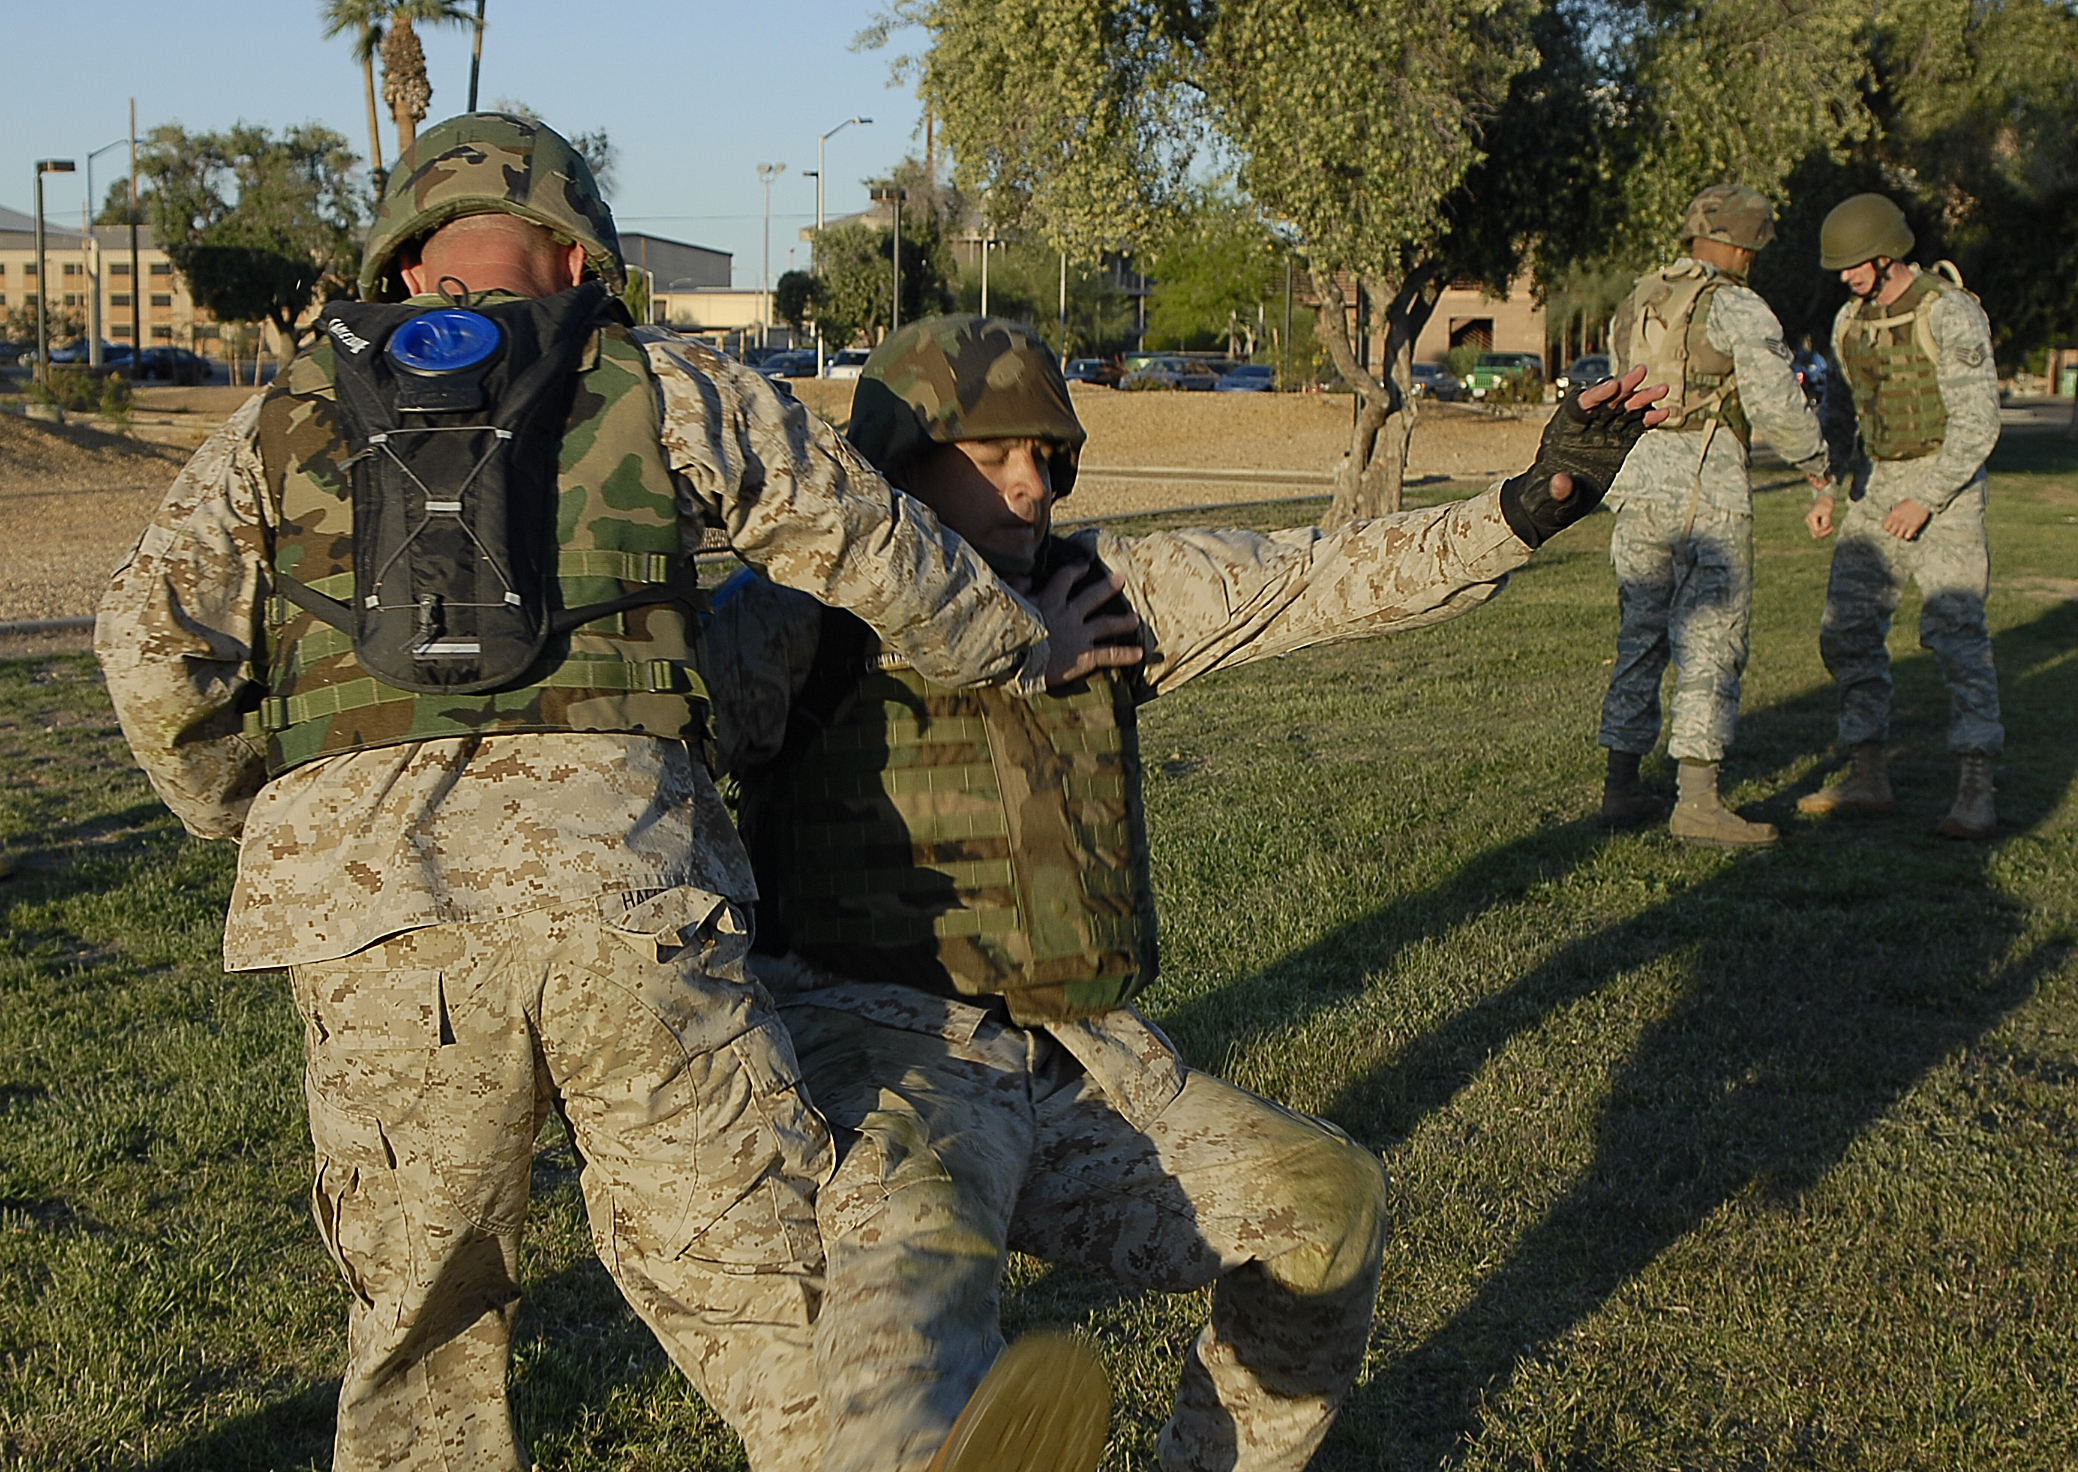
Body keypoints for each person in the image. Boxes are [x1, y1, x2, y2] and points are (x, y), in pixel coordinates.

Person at [92, 115, 1129, 1472]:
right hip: (629, 894)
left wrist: (257, 809)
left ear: (400, 264)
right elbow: (867, 539)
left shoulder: (272, 420)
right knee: (754, 1274)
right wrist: (1010, 643)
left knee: (419, 1332)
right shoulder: (661, 382)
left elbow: (146, 650)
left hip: (377, 927)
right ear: (581, 257)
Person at [697, 315, 1667, 1472]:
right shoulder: (791, 621)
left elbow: (1317, 577)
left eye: (1045, 457)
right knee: (909, 1295)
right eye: (991, 456)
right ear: (896, 468)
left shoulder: (1103, 591)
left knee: (1325, 1202)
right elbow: (639, 762)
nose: (1029, 485)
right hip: (882, 1065)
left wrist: (1523, 508)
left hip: (1075, 1064)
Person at [1597, 184, 1831, 845]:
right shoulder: (1736, 306)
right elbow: (1777, 404)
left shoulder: (1639, 297)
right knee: (1711, 639)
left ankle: (1621, 786)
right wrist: (1817, 466)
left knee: (1638, 638)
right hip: (1708, 488)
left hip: (1638, 485)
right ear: (1745, 244)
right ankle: (1698, 803)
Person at [1799, 192, 2004, 840]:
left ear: (1888, 254)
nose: (1846, 277)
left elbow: (1978, 423)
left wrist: (1927, 499)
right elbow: (1839, 416)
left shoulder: (1949, 312)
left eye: (1855, 264)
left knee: (1955, 632)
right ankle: (1868, 774)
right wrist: (1826, 488)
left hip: (1947, 486)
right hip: (1877, 482)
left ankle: (1976, 785)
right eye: (1840, 267)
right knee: (1847, 630)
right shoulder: (1848, 323)